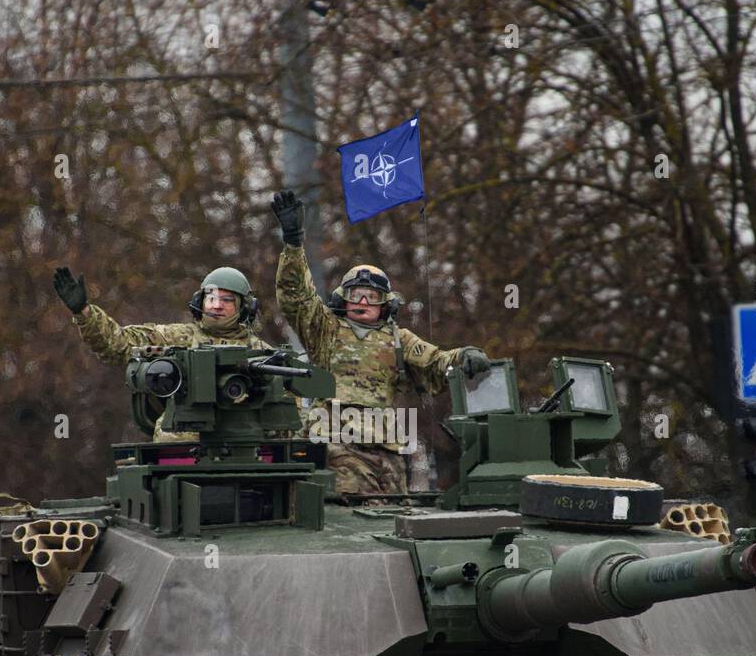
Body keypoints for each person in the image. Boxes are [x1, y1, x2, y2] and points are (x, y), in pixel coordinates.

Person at [270, 189, 492, 495]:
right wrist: (293, 243)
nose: (362, 301)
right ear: (342, 300)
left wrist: (465, 356)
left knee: (394, 519)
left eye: (371, 296)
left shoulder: (398, 339)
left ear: (385, 303)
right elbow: (297, 297)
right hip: (339, 445)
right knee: (352, 516)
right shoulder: (326, 329)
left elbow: (436, 362)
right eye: (354, 294)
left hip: (388, 449)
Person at [53, 265, 274, 442]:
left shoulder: (263, 354)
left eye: (227, 300)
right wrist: (84, 313)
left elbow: (288, 411)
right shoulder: (177, 338)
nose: (217, 306)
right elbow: (119, 345)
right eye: (212, 298)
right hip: (182, 447)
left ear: (245, 307)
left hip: (249, 447)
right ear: (200, 302)